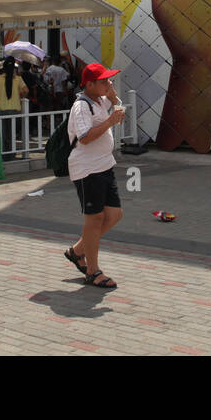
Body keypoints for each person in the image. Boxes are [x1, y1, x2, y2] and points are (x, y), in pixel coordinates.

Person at [63, 63, 126, 289]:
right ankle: (92, 270)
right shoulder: (81, 106)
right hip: (87, 169)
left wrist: (110, 92)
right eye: (103, 81)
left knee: (115, 214)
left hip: (104, 166)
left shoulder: (99, 101)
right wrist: (110, 121)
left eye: (108, 80)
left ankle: (78, 251)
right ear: (89, 84)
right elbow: (85, 137)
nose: (108, 83)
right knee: (94, 219)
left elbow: (115, 102)